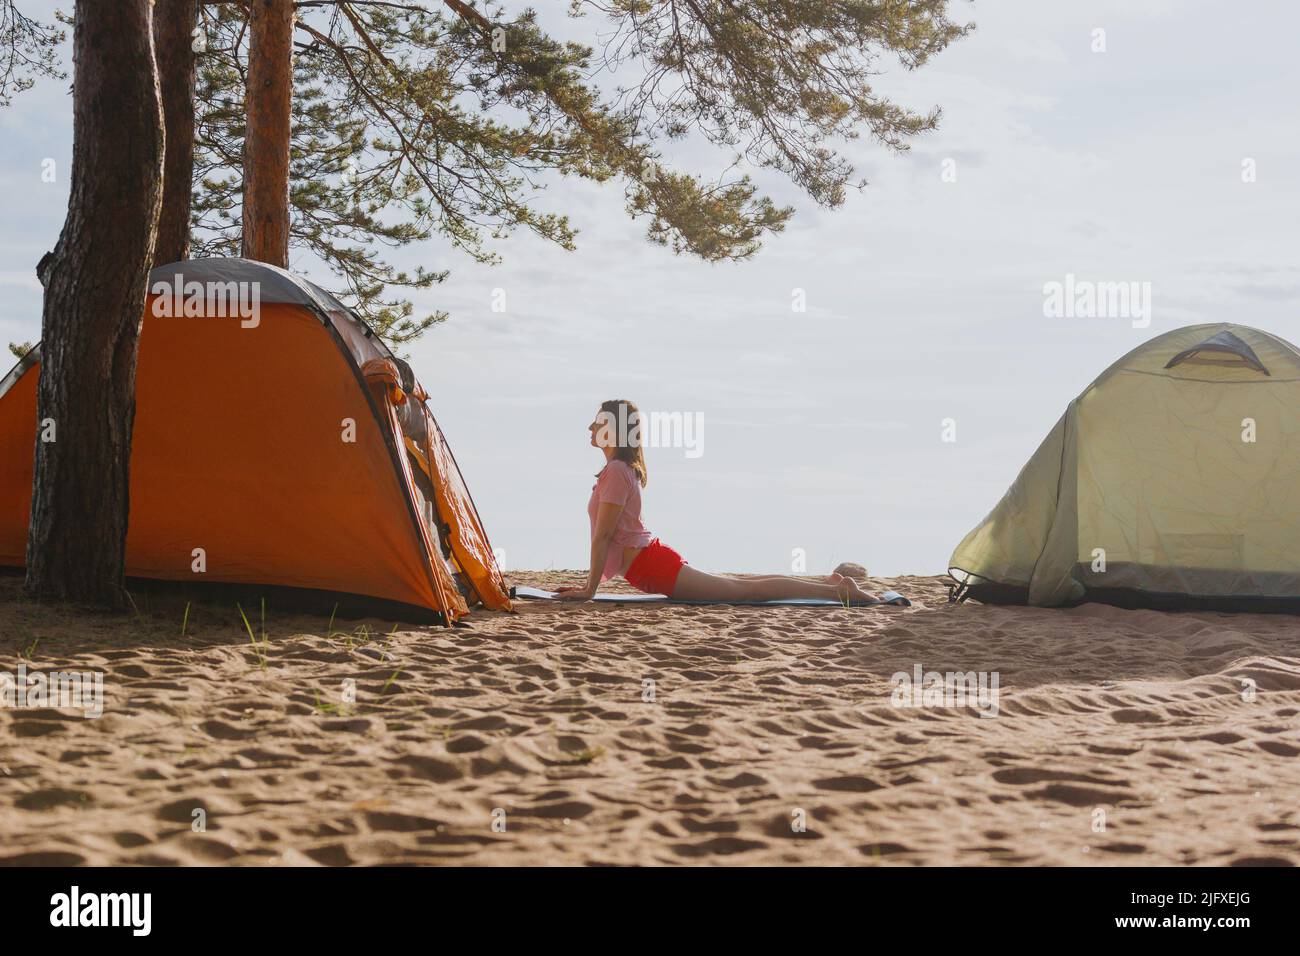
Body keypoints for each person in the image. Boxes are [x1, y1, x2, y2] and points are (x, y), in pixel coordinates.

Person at [556, 399, 879, 603]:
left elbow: (604, 536)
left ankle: (840, 591)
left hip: (652, 567)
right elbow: (609, 538)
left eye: (597, 421)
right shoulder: (617, 469)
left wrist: (590, 590)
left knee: (746, 593)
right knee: (741, 585)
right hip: (649, 564)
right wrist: (587, 584)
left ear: (612, 429)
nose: (590, 426)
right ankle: (829, 584)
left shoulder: (615, 470)